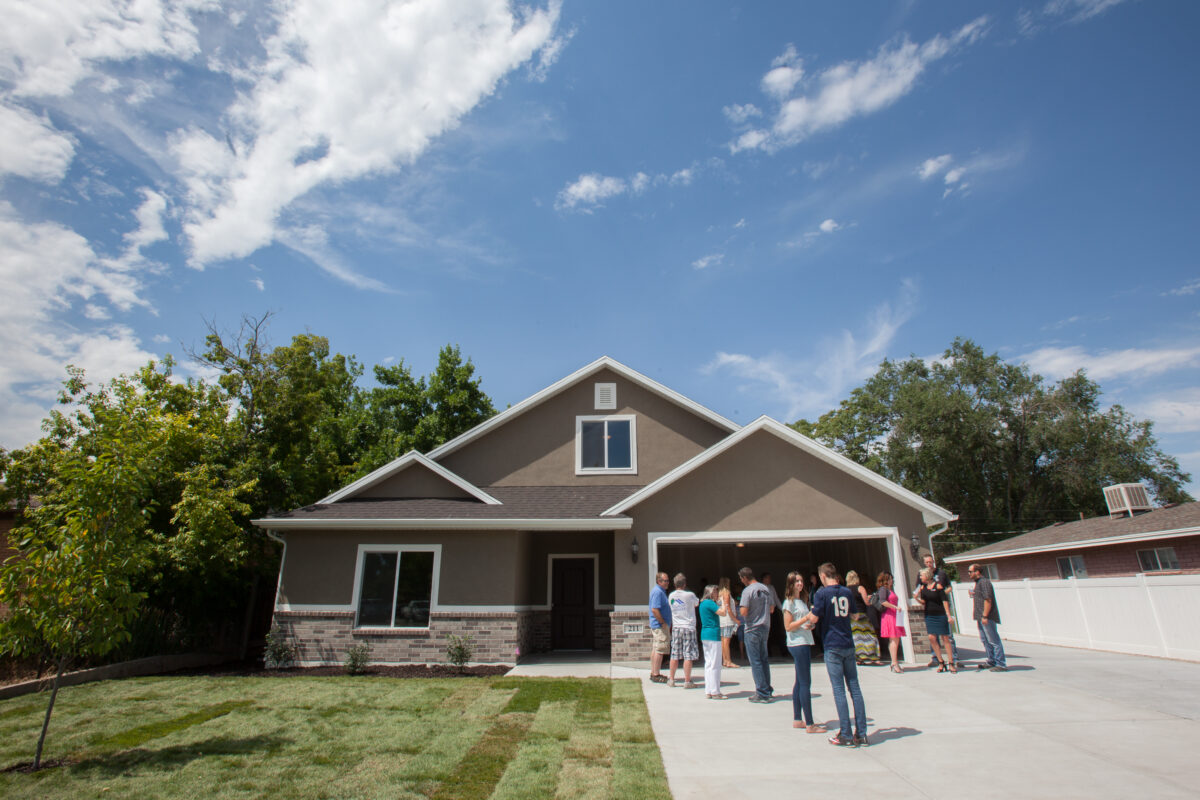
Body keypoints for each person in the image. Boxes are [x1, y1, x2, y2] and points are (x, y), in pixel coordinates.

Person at [802, 563, 869, 747]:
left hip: (832, 645)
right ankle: (861, 733)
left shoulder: (823, 593)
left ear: (823, 576)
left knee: (839, 690)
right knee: (854, 688)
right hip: (848, 643)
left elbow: (814, 617)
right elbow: (855, 616)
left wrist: (808, 621)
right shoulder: (847, 592)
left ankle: (846, 733)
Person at [782, 571, 824, 733]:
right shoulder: (789, 603)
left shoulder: (802, 601)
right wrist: (805, 619)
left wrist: (810, 625)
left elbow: (805, 621)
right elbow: (788, 626)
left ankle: (797, 718)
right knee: (806, 682)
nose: (800, 584)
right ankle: (810, 723)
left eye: (801, 581)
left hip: (805, 640)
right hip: (797, 644)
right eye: (796, 581)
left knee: (799, 681)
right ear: (790, 584)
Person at [913, 554, 960, 667]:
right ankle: (937, 659)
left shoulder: (941, 574)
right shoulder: (922, 580)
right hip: (930, 613)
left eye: (931, 561)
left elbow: (949, 587)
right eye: (927, 562)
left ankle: (953, 659)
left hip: (941, 611)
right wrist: (917, 598)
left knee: (947, 636)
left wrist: (942, 594)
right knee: (932, 637)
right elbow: (918, 590)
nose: (929, 564)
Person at [738, 566, 774, 703]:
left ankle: (762, 692)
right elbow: (771, 608)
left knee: (756, 661)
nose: (741, 581)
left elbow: (743, 612)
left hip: (752, 628)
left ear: (745, 578)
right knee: (763, 659)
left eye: (741, 579)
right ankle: (767, 689)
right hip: (765, 626)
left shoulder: (747, 591)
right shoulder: (765, 588)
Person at [968, 563, 1007, 672]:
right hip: (980, 617)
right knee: (985, 640)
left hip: (987, 617)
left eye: (970, 571)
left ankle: (1001, 664)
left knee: (993, 640)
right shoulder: (978, 583)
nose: (969, 574)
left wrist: (985, 616)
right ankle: (991, 661)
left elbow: (988, 600)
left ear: (977, 572)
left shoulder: (984, 582)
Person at [668, 573, 700, 688]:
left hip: (676, 627)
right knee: (688, 655)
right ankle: (687, 681)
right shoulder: (689, 595)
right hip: (688, 627)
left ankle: (671, 679)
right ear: (685, 584)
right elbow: (697, 603)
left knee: (674, 654)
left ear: (674, 584)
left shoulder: (671, 596)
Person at [846, 570, 881, 665]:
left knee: (856, 637)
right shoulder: (860, 588)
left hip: (851, 616)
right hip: (861, 614)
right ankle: (873, 657)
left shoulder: (845, 590)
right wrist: (870, 598)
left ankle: (858, 658)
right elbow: (867, 602)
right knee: (869, 635)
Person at [698, 585, 726, 698]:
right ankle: (715, 691)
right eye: (715, 592)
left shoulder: (702, 604)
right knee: (715, 664)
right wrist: (725, 603)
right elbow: (723, 613)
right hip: (713, 634)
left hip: (705, 634)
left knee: (708, 664)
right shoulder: (710, 603)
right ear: (710, 593)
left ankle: (709, 690)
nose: (717, 594)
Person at [875, 571, 905, 673]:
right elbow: (883, 601)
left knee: (895, 640)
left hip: (894, 615)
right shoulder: (883, 589)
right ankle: (894, 663)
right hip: (889, 616)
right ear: (886, 580)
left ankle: (894, 662)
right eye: (891, 578)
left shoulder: (889, 589)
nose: (892, 580)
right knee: (894, 640)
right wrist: (895, 607)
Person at [648, 571, 671, 683]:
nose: (667, 583)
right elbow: (654, 609)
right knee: (660, 650)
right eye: (665, 581)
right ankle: (656, 674)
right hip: (659, 626)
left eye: (667, 580)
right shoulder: (658, 592)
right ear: (659, 581)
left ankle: (654, 672)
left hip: (659, 625)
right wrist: (662, 622)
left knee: (656, 648)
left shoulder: (660, 591)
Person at [717, 577, 741, 668]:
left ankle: (725, 660)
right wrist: (735, 619)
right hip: (727, 620)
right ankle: (729, 661)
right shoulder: (727, 594)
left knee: (723, 641)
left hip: (721, 620)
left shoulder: (719, 595)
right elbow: (728, 608)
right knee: (726, 641)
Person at [762, 572, 785, 657]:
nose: (769, 580)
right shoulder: (761, 588)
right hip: (766, 612)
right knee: (768, 632)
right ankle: (768, 652)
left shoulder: (772, 587)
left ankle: (783, 651)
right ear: (764, 579)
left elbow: (776, 598)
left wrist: (782, 609)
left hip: (774, 611)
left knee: (778, 631)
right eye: (768, 578)